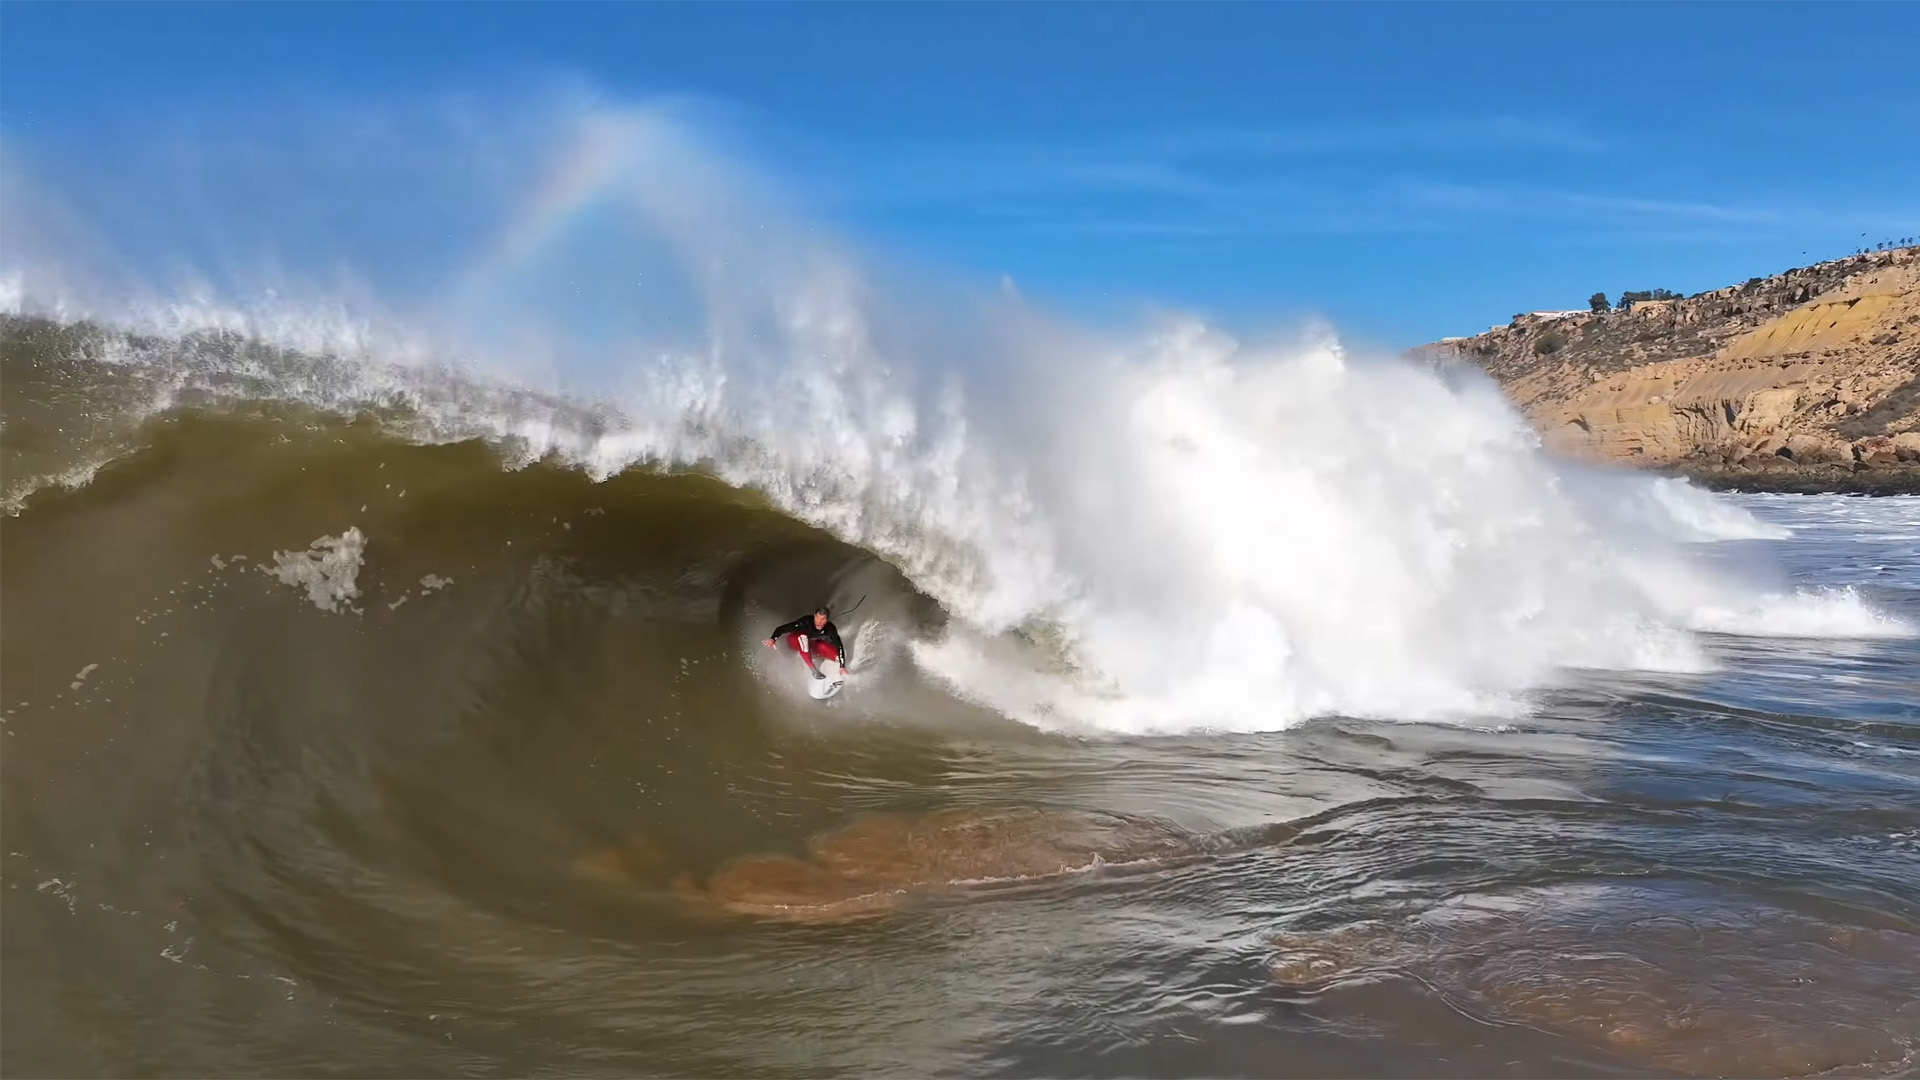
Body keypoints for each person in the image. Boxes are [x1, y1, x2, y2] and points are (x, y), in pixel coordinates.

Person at [764, 606, 850, 680]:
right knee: (803, 638)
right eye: (817, 618)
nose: (819, 622)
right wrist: (773, 639)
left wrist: (842, 666)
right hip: (793, 642)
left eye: (823, 619)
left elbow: (839, 645)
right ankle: (813, 671)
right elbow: (781, 629)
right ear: (814, 616)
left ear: (827, 620)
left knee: (829, 650)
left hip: (809, 644)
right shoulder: (805, 623)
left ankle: (836, 667)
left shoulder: (830, 628)